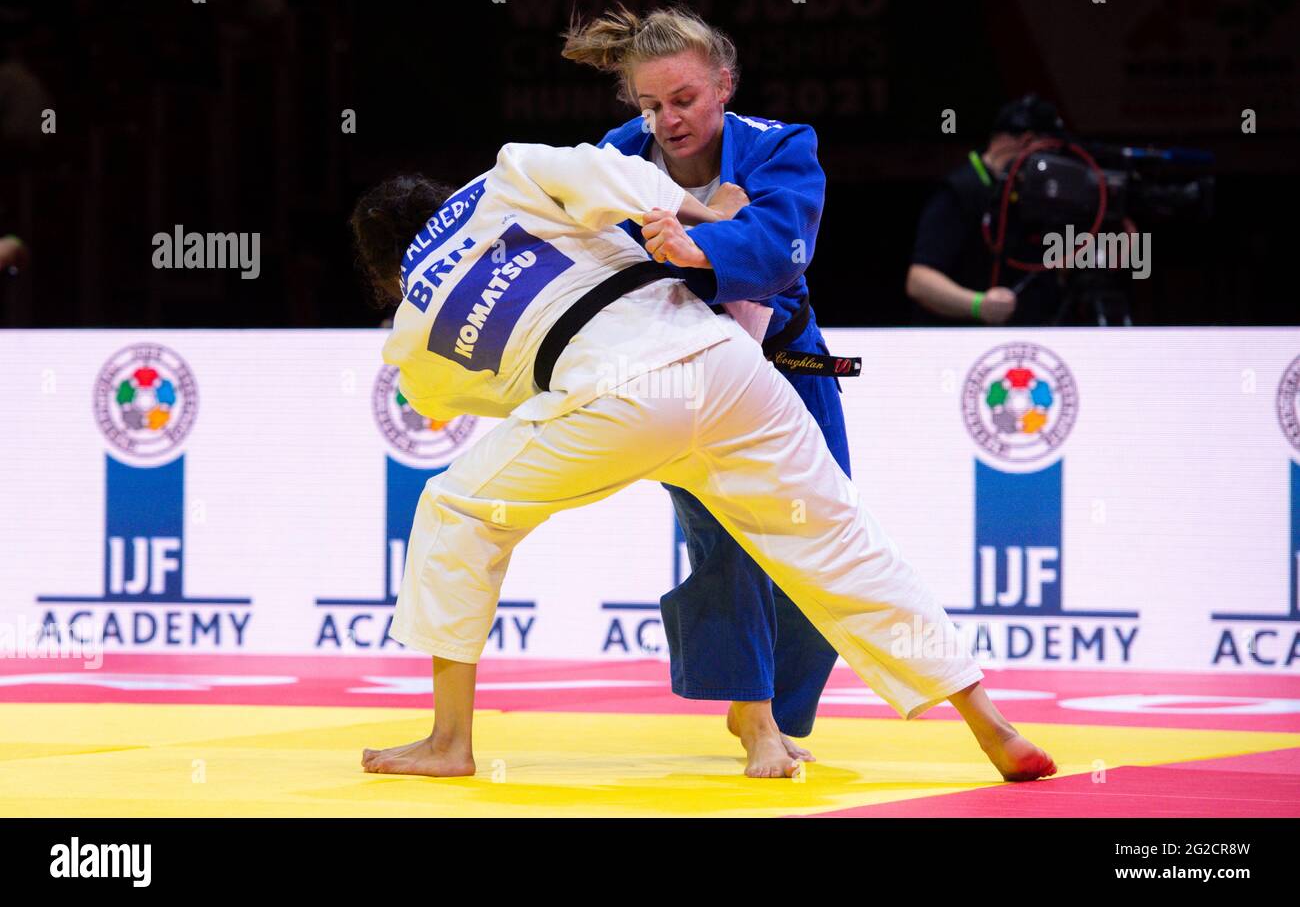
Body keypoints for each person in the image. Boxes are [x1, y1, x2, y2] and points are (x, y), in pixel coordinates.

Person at [351, 138, 1056, 781]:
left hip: (616, 397)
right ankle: (989, 723)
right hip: (726, 364)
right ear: (441, 201)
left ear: (385, 269)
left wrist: (437, 313)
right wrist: (705, 209)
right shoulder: (501, 177)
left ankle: (449, 741)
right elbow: (603, 171)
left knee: (455, 509)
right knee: (842, 541)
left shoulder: (411, 322)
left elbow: (439, 399)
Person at [562, 4, 845, 759]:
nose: (668, 121)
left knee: (820, 538)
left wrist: (697, 241)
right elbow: (593, 259)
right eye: (651, 105)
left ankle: (778, 713)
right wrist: (714, 219)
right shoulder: (614, 159)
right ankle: (753, 718)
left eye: (683, 99)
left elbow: (784, 251)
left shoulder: (782, 145)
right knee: (722, 537)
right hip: (679, 370)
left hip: (787, 363)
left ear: (724, 84)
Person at [906, 94, 1068, 326]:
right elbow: (919, 281)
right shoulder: (959, 191)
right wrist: (977, 304)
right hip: (958, 347)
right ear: (1028, 141)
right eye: (1049, 152)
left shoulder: (1032, 197)